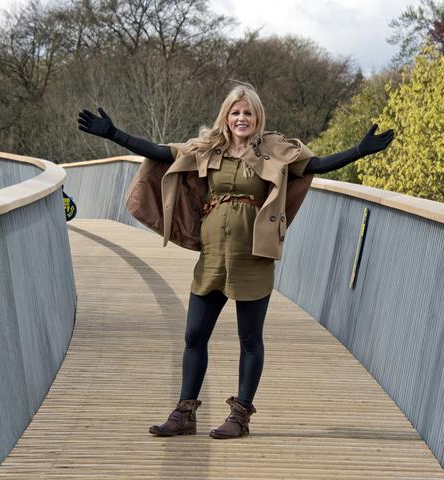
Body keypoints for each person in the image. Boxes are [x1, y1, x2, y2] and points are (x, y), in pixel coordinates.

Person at [77, 85, 393, 439]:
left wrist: (358, 152)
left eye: (248, 113)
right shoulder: (209, 147)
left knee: (249, 339)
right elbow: (162, 152)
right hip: (214, 254)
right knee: (194, 335)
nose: (241, 119)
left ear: (258, 118)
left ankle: (240, 417)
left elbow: (314, 165)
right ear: (226, 117)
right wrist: (115, 135)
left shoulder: (274, 149)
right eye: (235, 112)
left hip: (252, 256)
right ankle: (185, 414)